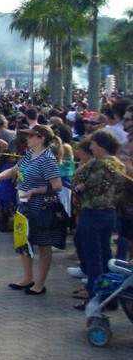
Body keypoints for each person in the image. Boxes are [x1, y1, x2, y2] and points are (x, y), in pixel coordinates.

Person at [0, 123, 63, 295]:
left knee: (42, 243)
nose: (27, 138)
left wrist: (34, 191)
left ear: (41, 138)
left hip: (41, 206)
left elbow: (56, 185)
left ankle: (40, 283)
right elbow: (13, 170)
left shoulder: (47, 158)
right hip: (23, 204)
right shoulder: (29, 155)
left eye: (30, 136)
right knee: (23, 240)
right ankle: (28, 277)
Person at [71, 129, 127, 310]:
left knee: (93, 258)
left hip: (92, 213)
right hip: (110, 213)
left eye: (93, 144)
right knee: (105, 255)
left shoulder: (97, 164)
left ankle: (95, 299)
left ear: (101, 146)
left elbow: (77, 178)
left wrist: (80, 186)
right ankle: (111, 298)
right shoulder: (119, 164)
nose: (91, 147)